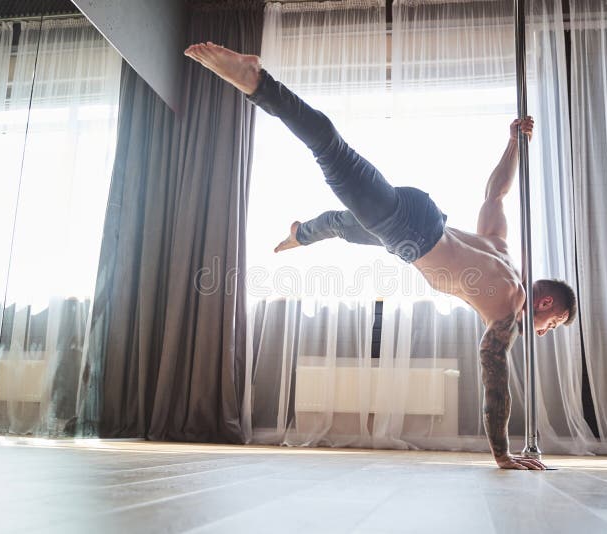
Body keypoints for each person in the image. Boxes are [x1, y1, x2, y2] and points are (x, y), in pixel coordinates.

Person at [185, 42, 577, 470]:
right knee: (331, 151)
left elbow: (496, 193)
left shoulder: (500, 249)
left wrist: (514, 143)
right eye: (552, 322)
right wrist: (502, 455)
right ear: (544, 302)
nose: (543, 333)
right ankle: (256, 81)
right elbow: (495, 382)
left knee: (346, 225)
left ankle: (302, 233)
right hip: (411, 231)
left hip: (422, 218)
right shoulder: (507, 307)